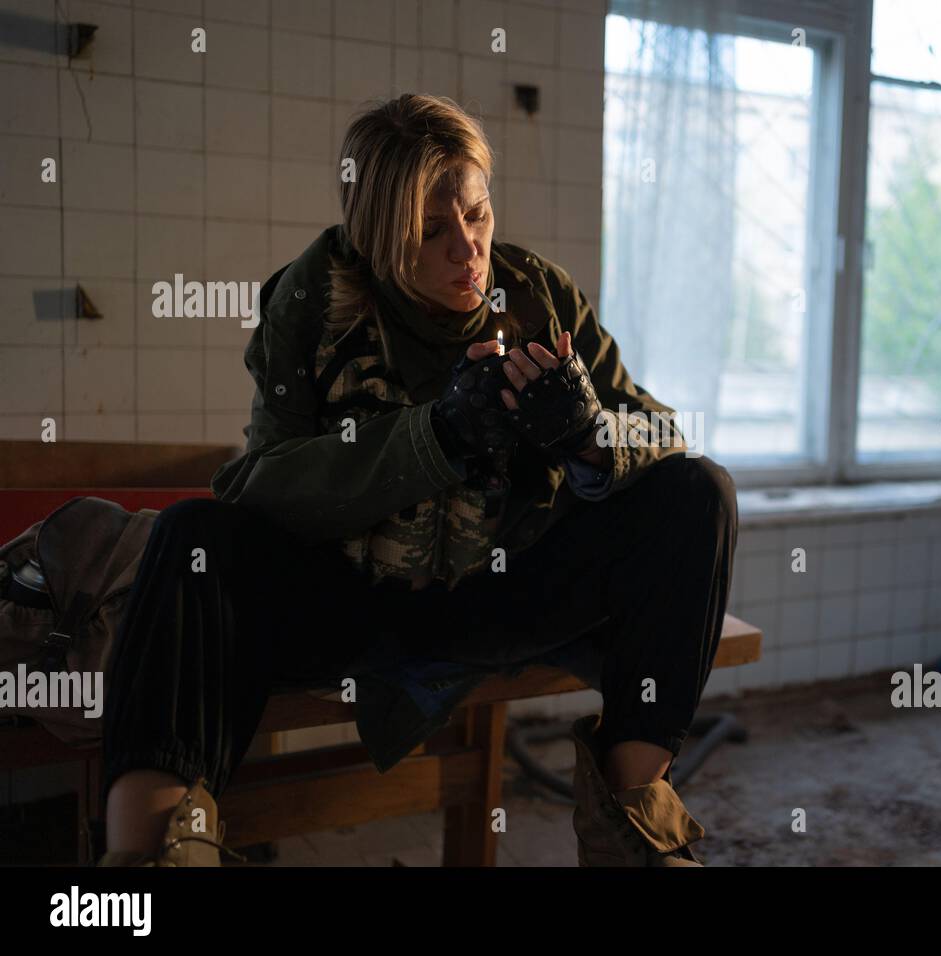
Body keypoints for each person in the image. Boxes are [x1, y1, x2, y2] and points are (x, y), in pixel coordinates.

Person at [96, 93, 738, 868]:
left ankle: (636, 829)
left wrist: (593, 438)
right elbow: (259, 487)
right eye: (430, 232)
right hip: (349, 598)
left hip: (502, 592)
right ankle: (154, 855)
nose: (467, 250)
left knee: (698, 492)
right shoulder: (311, 299)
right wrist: (431, 437)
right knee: (191, 534)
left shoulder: (537, 294)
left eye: (477, 214)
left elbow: (664, 429)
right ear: (374, 235)